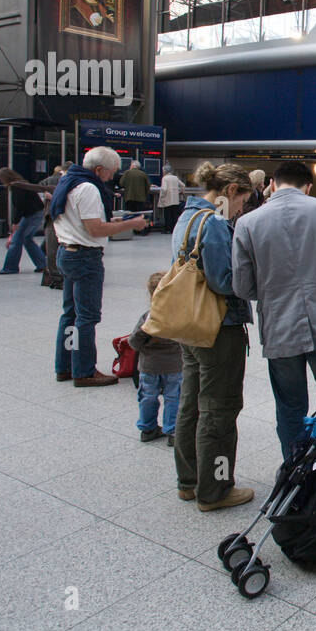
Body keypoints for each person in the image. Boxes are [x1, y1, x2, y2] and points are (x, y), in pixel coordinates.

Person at [233, 160, 316, 460]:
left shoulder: (248, 222)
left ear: (272, 185)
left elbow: (242, 287)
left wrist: (272, 291)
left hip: (280, 328)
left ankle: (295, 470)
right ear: (308, 186)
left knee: (289, 408)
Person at [171, 162, 255, 510]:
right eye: (242, 203)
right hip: (219, 329)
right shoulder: (216, 224)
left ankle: (189, 481)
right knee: (220, 408)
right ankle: (216, 488)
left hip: (188, 324)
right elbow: (224, 281)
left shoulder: (185, 218)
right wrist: (253, 279)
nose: (240, 211)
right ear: (230, 191)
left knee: (190, 403)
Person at [50, 147, 148, 386]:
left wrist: (113, 221)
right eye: (111, 172)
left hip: (66, 251)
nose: (112, 177)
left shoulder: (69, 181)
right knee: (87, 316)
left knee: (70, 313)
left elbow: (81, 220)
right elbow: (95, 229)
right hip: (85, 257)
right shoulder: (88, 188)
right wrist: (131, 224)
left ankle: (64, 367)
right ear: (99, 170)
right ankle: (84, 371)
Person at [128, 271, 183, 444]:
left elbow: (133, 342)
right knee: (173, 397)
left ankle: (147, 428)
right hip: (174, 366)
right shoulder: (179, 316)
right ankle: (172, 431)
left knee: (147, 397)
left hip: (149, 367)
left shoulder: (148, 317)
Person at [0, 168, 49, 275]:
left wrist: (15, 222)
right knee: (27, 240)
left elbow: (19, 206)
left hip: (30, 214)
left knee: (16, 240)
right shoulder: (22, 184)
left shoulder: (17, 186)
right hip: (36, 212)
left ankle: (11, 267)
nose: (0, 181)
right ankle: (42, 264)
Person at [158, 164, 186, 231]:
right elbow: (183, 185)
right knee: (174, 215)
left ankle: (168, 229)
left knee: (167, 215)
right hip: (175, 200)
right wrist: (181, 192)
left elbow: (164, 189)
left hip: (167, 200)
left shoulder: (164, 178)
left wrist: (162, 197)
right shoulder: (175, 177)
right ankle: (174, 229)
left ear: (164, 171)